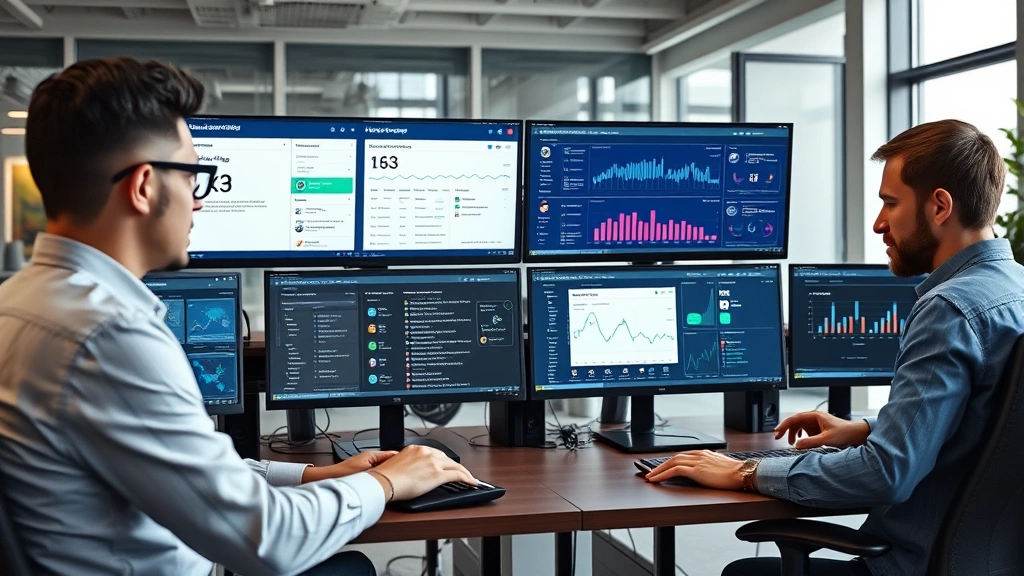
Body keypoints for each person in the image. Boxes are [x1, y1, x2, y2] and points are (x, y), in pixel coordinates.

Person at [0, 57, 478, 576]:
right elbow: (268, 540)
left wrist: (317, 477)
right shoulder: (109, 337)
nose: (200, 203)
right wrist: (390, 482)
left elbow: (182, 467)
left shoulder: (25, 302)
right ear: (143, 187)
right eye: (195, 177)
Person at [645, 119, 1024, 576]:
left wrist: (743, 472)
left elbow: (887, 473)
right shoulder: (1016, 290)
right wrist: (865, 428)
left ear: (940, 206)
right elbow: (991, 417)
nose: (879, 222)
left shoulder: (949, 309)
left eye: (890, 203)